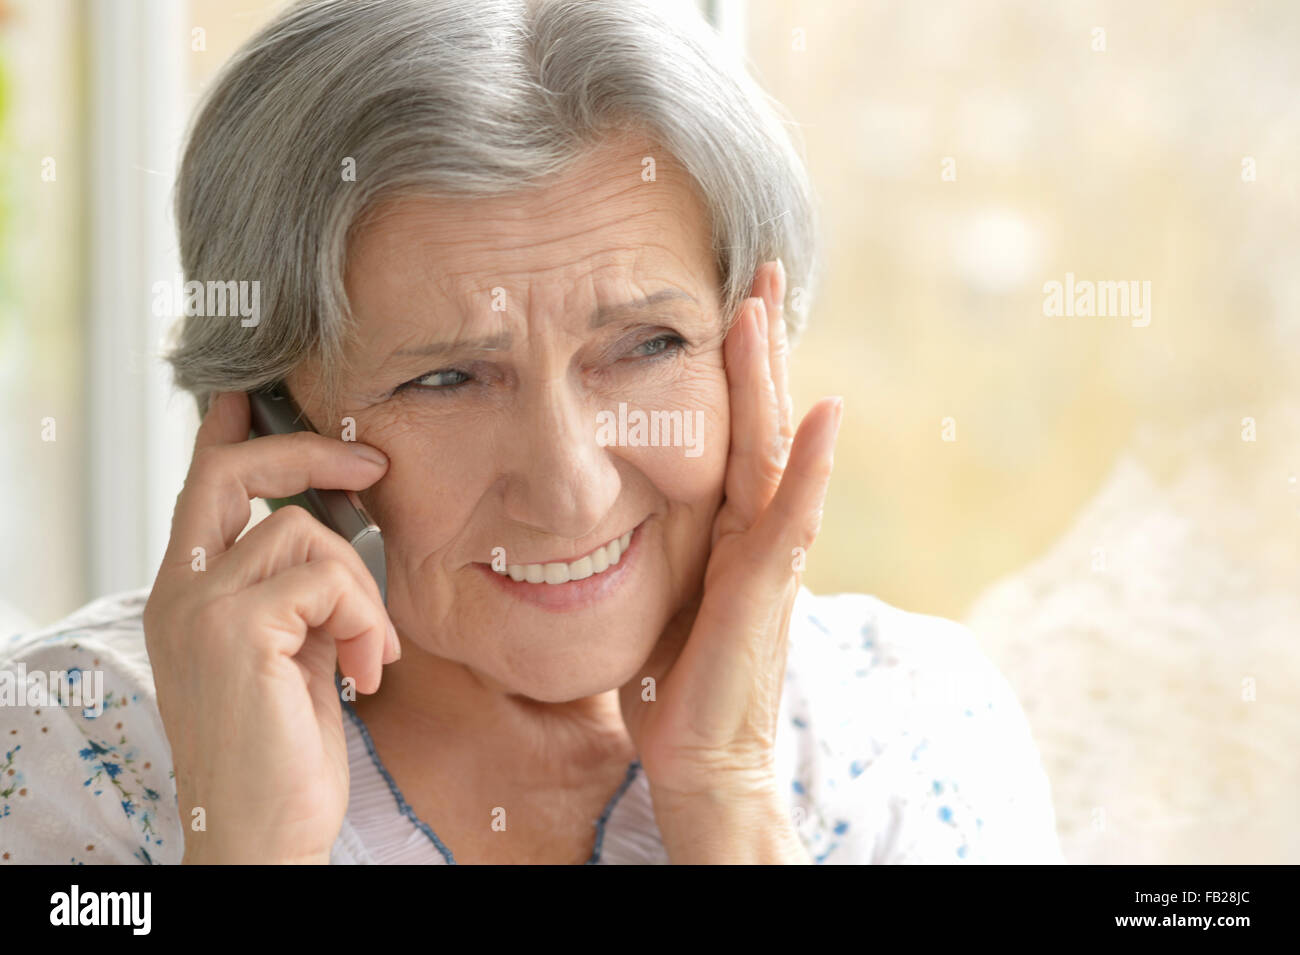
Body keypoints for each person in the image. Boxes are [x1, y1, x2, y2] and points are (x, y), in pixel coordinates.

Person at [0, 0, 1062, 864]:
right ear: (280, 407)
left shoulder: (912, 726)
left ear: (756, 353)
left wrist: (725, 801)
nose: (570, 489)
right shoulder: (66, 742)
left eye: (646, 344)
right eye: (448, 377)